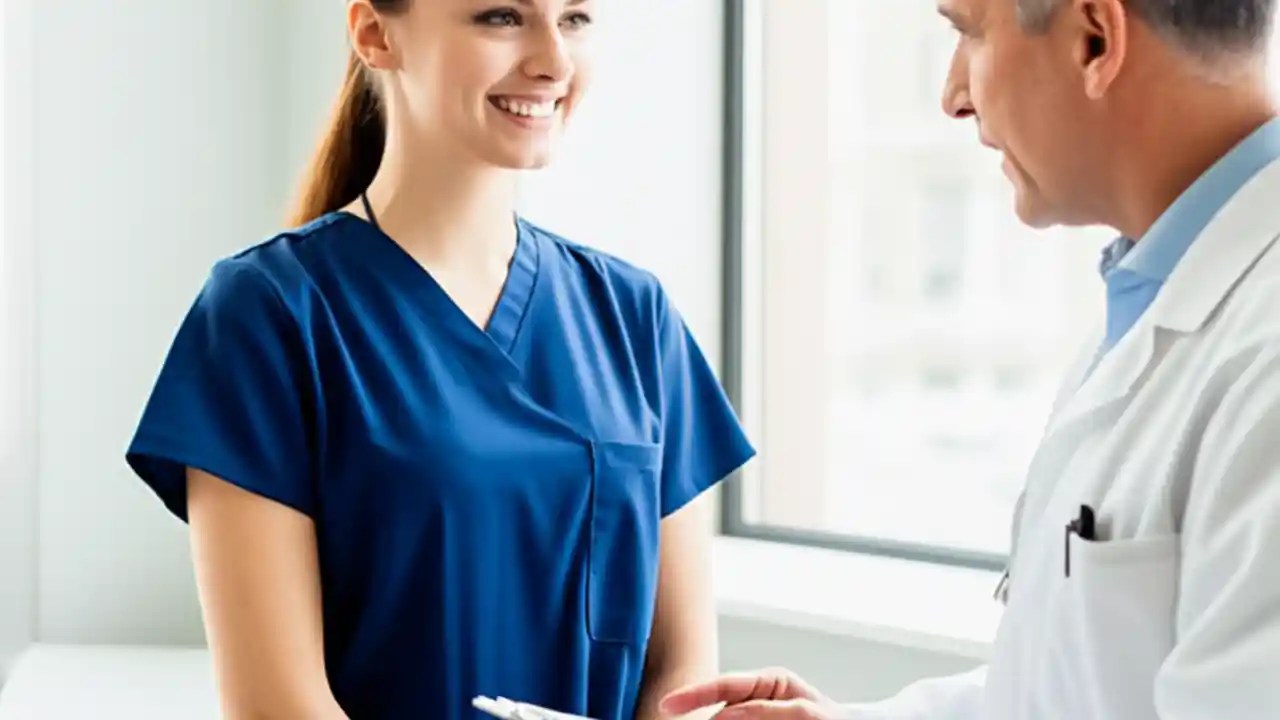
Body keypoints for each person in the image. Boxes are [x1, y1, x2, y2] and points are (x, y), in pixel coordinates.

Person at [124, 1, 755, 719]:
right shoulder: (268, 314)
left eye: (575, 18)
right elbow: (277, 704)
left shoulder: (633, 315)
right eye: (500, 17)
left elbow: (682, 672)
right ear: (375, 33)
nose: (553, 59)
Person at [662, 0, 1280, 718]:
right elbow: (1075, 684)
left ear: (1094, 40)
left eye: (970, 35)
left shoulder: (1259, 356)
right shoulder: (1159, 295)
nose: (953, 95)